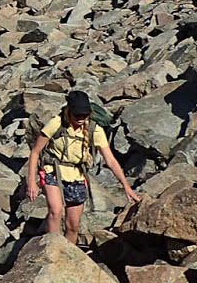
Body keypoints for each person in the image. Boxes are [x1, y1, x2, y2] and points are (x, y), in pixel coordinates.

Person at [28, 89, 139, 244]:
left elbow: (110, 160)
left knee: (73, 225)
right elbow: (35, 152)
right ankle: (52, 249)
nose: (81, 119)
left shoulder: (95, 130)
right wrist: (31, 182)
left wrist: (126, 186)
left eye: (85, 115)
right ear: (69, 111)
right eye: (77, 115)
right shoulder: (56, 123)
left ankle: (67, 253)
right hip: (53, 170)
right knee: (56, 211)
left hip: (77, 175)